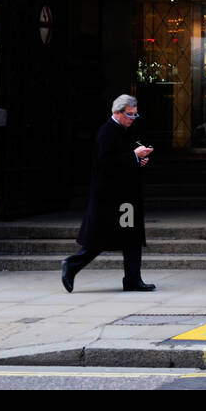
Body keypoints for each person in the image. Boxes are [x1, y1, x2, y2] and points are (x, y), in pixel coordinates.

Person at [61, 94, 155, 292]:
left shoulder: (123, 130)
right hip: (111, 197)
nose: (133, 118)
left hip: (125, 196)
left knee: (131, 236)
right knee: (101, 238)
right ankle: (72, 264)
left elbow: (123, 158)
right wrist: (134, 156)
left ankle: (132, 279)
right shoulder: (107, 132)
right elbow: (106, 164)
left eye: (135, 114)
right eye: (130, 114)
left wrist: (138, 159)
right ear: (117, 113)